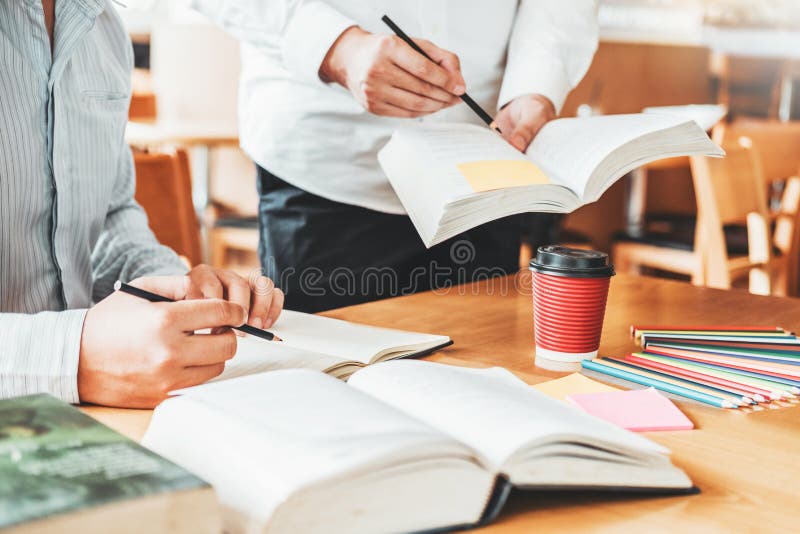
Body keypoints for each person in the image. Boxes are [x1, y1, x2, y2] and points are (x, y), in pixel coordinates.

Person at [193, 0, 599, 312]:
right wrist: (335, 47)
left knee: (478, 387)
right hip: (328, 171)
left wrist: (536, 84)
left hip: (484, 167)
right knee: (326, 393)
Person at [0, 0, 283, 409]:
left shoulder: (103, 29)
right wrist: (73, 358)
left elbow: (112, 218)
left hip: (102, 418)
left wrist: (178, 291)